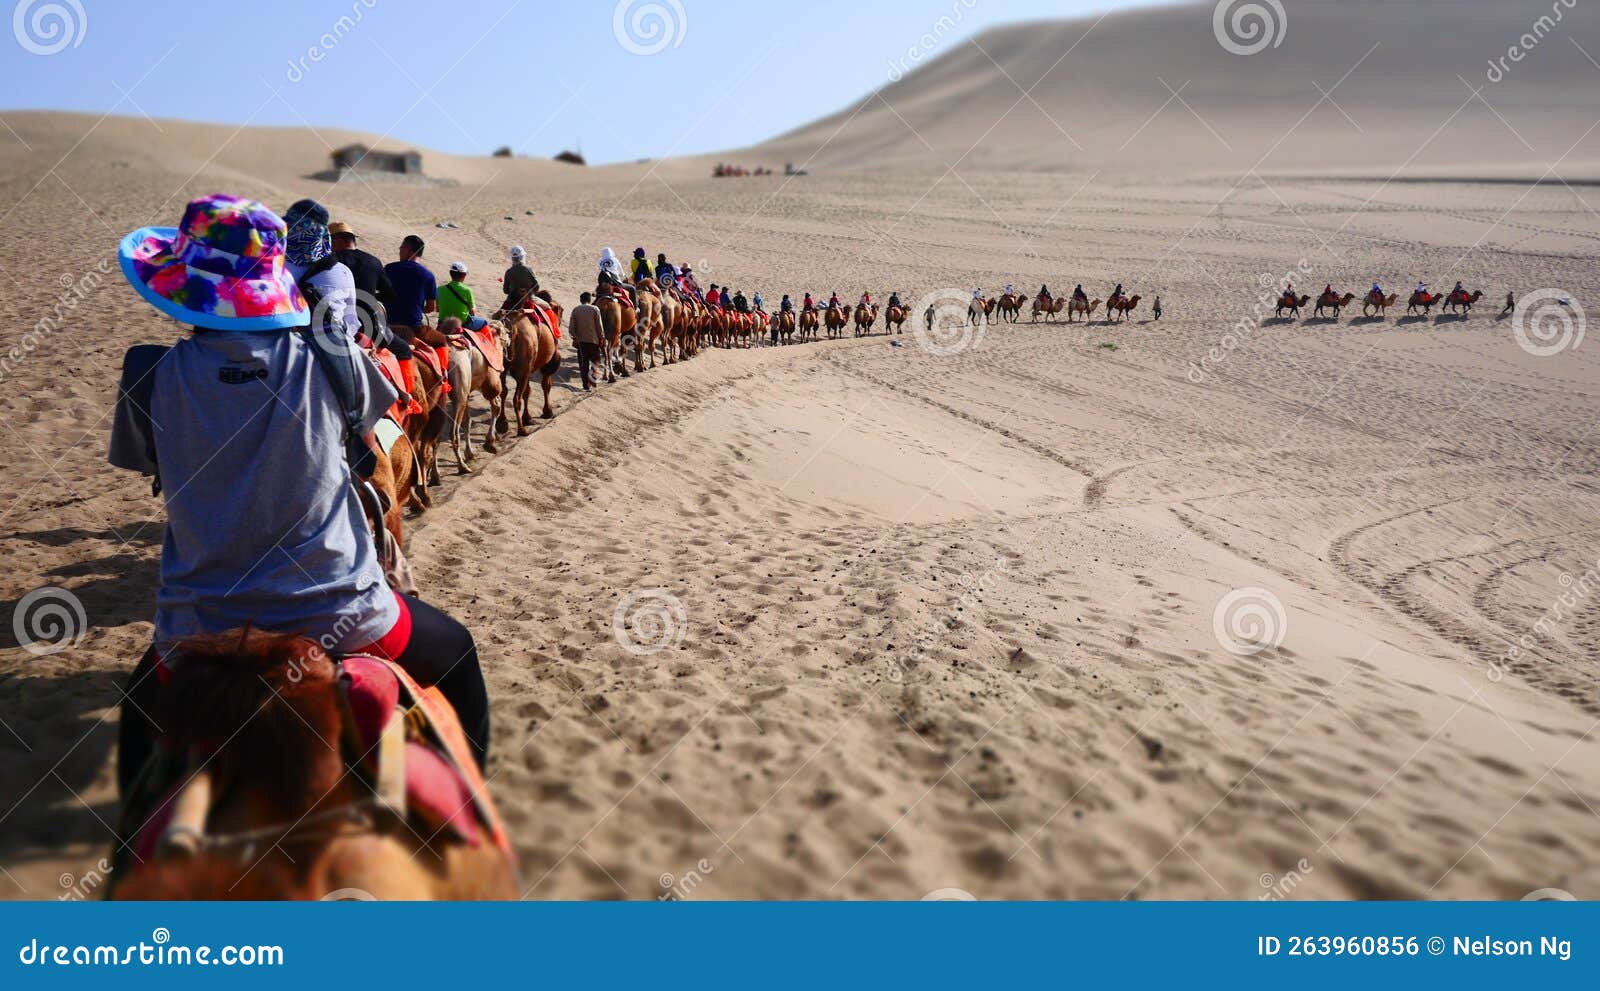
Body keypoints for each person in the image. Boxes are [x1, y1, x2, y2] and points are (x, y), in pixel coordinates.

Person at [109, 194, 491, 788]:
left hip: (199, 624)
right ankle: (472, 807)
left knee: (137, 723)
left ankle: (129, 855)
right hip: (340, 612)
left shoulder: (146, 372)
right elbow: (370, 439)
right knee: (460, 657)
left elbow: (153, 466)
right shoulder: (331, 350)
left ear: (182, 284)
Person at [328, 220, 397, 344]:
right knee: (403, 351)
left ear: (337, 239)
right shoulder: (374, 261)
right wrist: (370, 296)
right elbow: (390, 294)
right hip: (369, 326)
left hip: (336, 324)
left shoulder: (330, 261)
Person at [384, 234, 437, 337]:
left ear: (409, 250)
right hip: (413, 327)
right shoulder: (428, 275)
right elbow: (431, 307)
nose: (399, 251)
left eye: (401, 247)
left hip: (388, 323)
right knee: (441, 343)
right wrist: (415, 308)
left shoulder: (389, 268)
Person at [438, 261, 489, 331]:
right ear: (464, 275)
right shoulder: (467, 290)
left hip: (442, 323)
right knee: (484, 322)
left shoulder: (439, 289)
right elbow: (472, 311)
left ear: (450, 273)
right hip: (463, 323)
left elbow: (437, 309)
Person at [569, 291, 605, 390]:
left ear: (581, 300)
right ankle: (593, 379)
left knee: (583, 364)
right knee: (595, 361)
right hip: (594, 341)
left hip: (581, 342)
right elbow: (599, 326)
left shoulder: (575, 310)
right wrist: (601, 338)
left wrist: (575, 337)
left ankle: (585, 385)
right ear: (590, 300)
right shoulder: (595, 309)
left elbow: (571, 328)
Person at [501, 245, 541, 313]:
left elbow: (506, 291)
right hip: (529, 299)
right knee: (547, 306)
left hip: (511, 300)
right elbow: (536, 287)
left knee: (498, 316)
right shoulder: (529, 270)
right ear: (522, 257)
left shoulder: (508, 272)